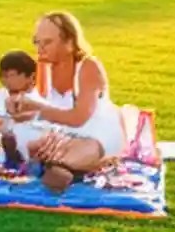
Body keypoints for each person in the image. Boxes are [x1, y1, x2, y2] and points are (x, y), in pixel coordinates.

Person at [11, 11, 127, 192]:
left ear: (70, 42)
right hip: (64, 132)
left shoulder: (88, 67)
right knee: (25, 137)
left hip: (96, 131)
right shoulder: (42, 67)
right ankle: (60, 166)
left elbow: (79, 118)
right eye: (37, 42)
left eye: (47, 42)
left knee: (84, 149)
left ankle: (66, 166)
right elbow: (28, 103)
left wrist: (39, 111)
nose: (40, 48)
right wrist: (18, 105)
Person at [0, 50, 42, 165]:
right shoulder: (2, 94)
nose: (5, 80)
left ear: (31, 76)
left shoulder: (39, 96)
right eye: (3, 76)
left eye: (11, 76)